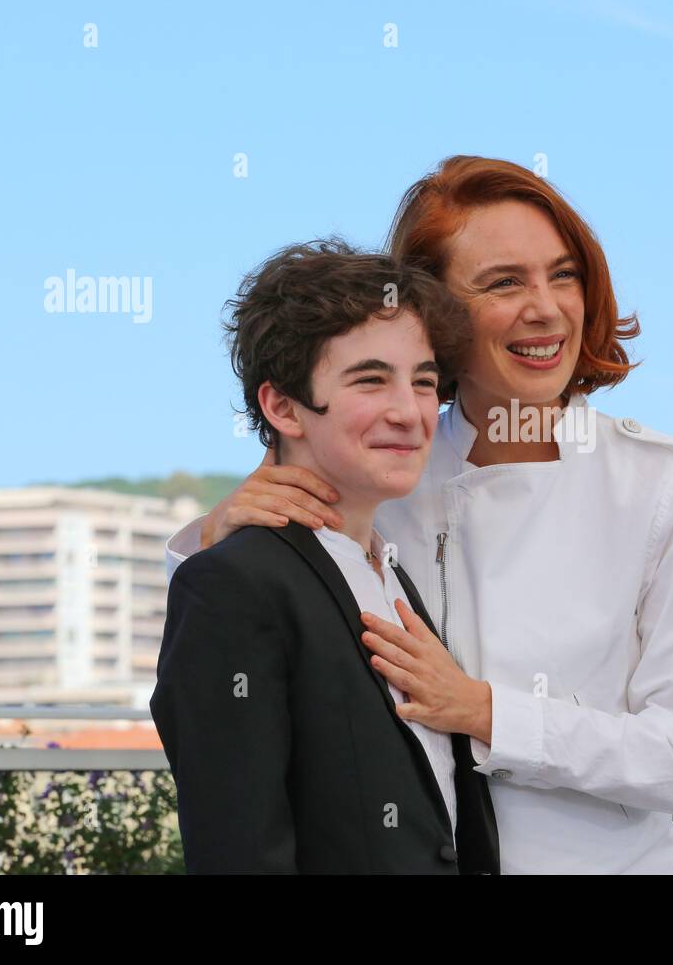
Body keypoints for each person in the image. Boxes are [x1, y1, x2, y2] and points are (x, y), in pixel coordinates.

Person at [167, 156, 673, 873]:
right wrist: (212, 534)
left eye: (564, 275)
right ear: (428, 311)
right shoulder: (385, 470)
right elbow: (245, 637)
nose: (546, 307)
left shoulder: (664, 485)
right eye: (504, 282)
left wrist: (485, 710)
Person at [150, 238, 498, 874]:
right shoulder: (234, 583)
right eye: (371, 379)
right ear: (282, 406)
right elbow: (238, 849)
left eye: (423, 383)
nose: (410, 412)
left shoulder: (393, 575)